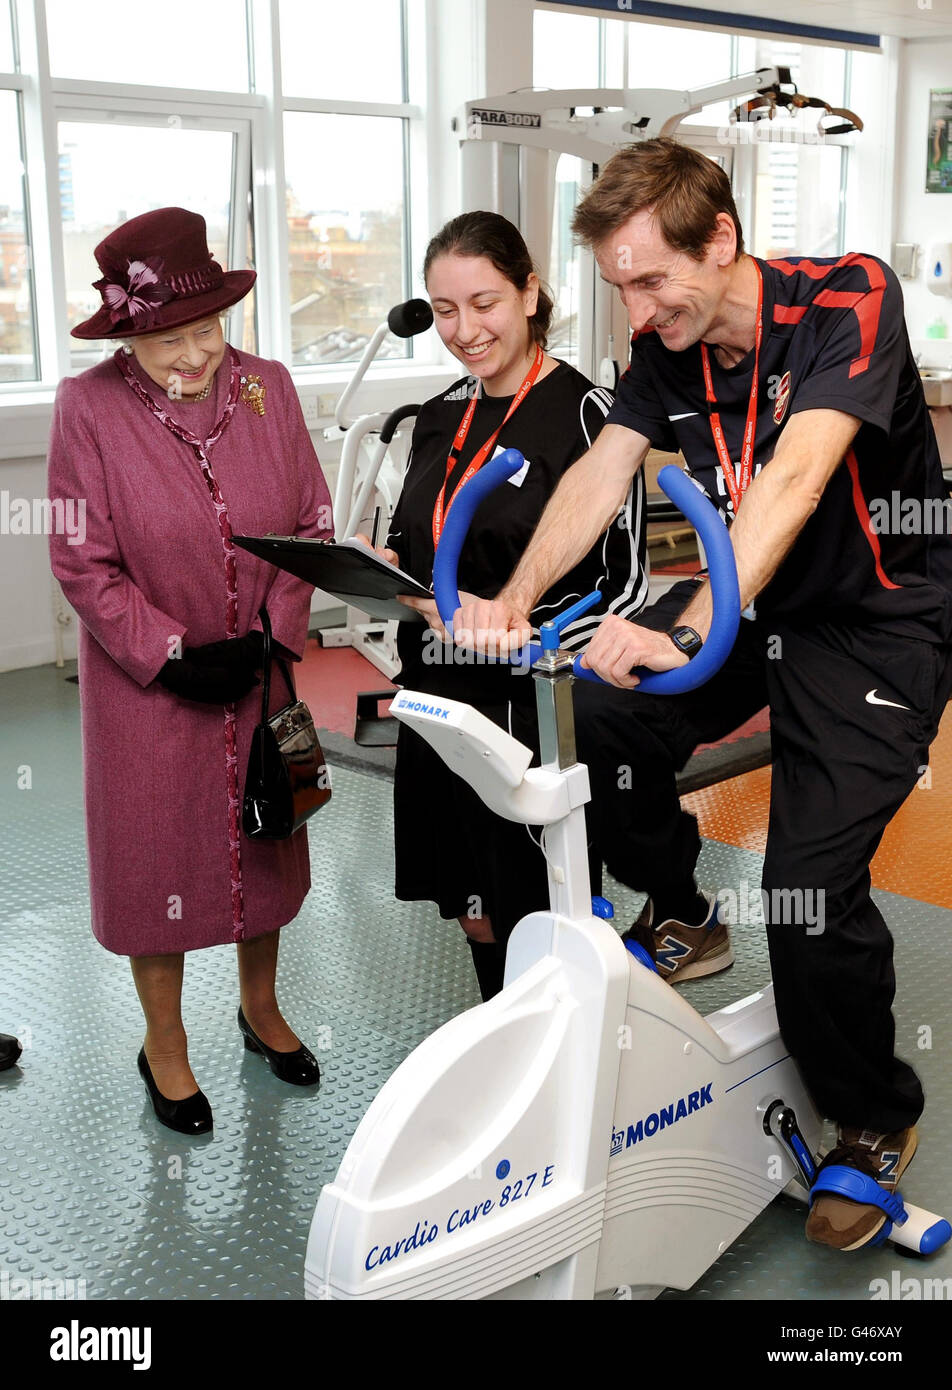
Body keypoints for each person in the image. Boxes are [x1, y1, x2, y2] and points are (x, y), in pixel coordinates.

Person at [453, 139, 952, 1251]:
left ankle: (872, 1117)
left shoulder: (845, 300)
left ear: (719, 240)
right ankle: (680, 909)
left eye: (648, 278)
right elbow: (601, 468)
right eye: (618, 284)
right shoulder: (665, 344)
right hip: (752, 596)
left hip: (875, 624)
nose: (636, 305)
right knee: (605, 713)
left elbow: (794, 478)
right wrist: (513, 596)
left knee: (806, 889)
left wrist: (688, 621)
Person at [48, 207, 332, 1136]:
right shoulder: (88, 408)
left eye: (206, 331)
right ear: (130, 334)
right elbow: (80, 558)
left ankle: (260, 1010)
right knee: (155, 860)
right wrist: (170, 656)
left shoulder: (270, 388)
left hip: (262, 674)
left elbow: (312, 524)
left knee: (268, 839)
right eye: (168, 339)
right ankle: (163, 1045)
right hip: (150, 697)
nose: (194, 357)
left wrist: (277, 632)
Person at [359, 211, 648, 1001]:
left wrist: (526, 631)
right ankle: (508, 1049)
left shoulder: (590, 412)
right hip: (433, 698)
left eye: (483, 302)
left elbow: (625, 584)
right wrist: (387, 574)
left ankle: (563, 1075)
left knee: (535, 910)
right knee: (472, 911)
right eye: (444, 310)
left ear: (529, 292)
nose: (464, 329)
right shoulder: (439, 414)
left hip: (525, 707)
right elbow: (410, 547)